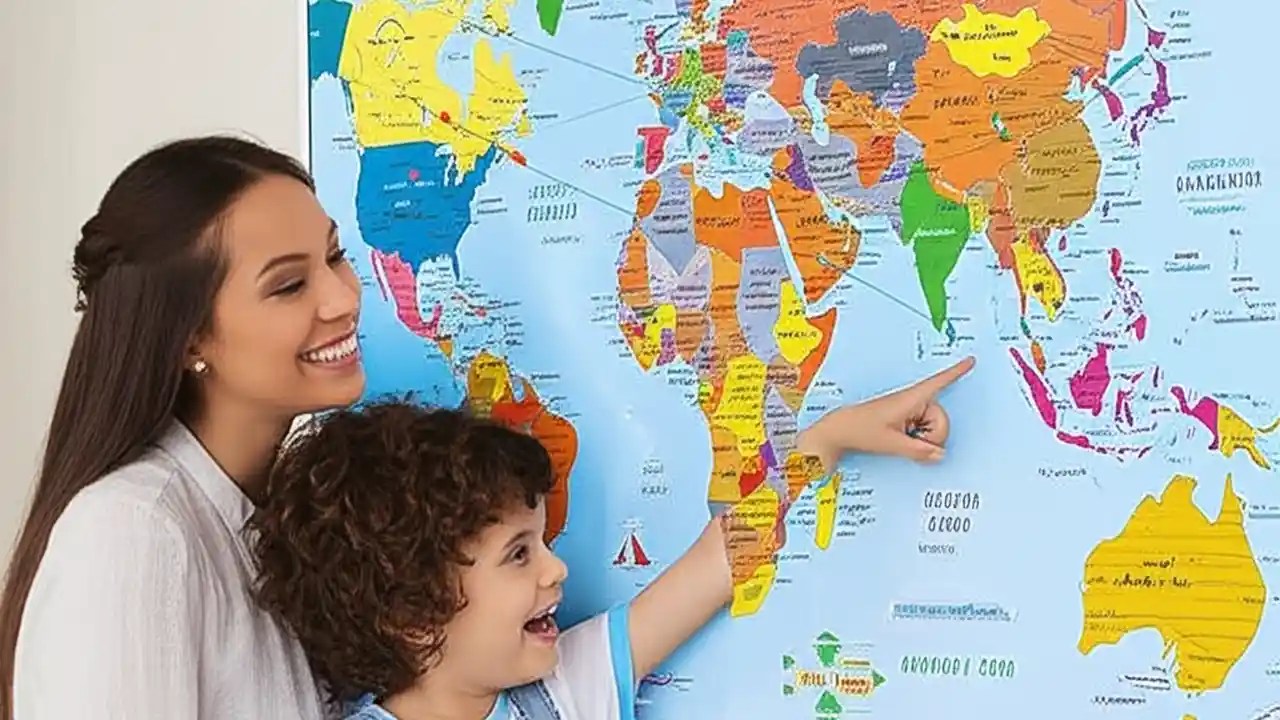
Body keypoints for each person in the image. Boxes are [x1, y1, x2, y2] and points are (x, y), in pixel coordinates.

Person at [250, 354, 972, 720]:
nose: (556, 571)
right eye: (519, 554)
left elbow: (719, 563)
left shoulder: (566, 685)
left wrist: (827, 441)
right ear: (412, 614)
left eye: (541, 540)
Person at [0, 135, 367, 718]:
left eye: (334, 256)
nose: (343, 297)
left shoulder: (272, 521)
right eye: (290, 285)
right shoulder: (134, 530)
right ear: (189, 337)